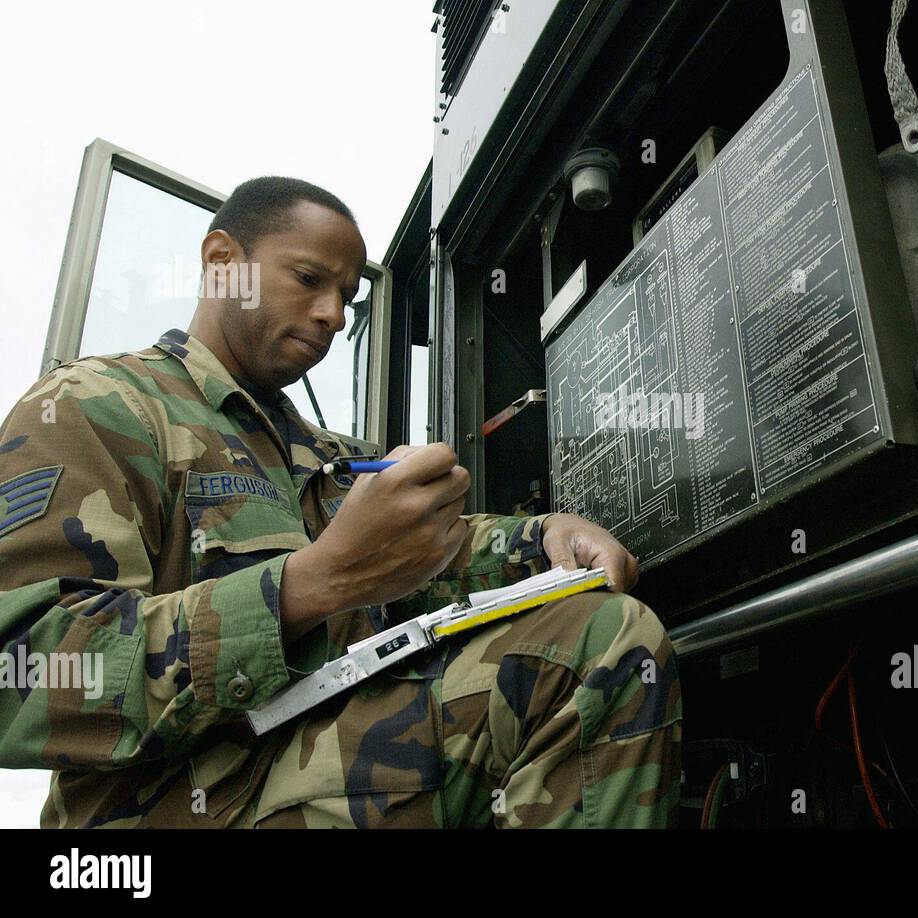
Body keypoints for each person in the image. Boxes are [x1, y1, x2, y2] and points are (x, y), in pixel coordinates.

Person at [0, 177, 681, 827]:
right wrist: (308, 587)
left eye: (347, 299)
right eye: (307, 280)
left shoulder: (327, 455)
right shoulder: (93, 407)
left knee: (595, 621)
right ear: (221, 261)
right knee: (599, 647)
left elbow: (438, 556)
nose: (330, 315)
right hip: (181, 805)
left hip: (323, 756)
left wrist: (544, 538)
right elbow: (19, 669)